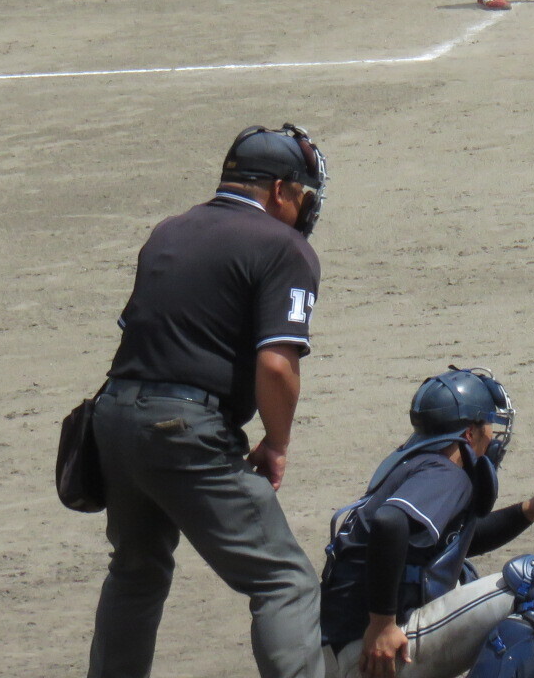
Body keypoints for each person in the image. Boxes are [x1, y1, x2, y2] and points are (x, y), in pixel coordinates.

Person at [88, 124, 331, 678]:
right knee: (283, 580)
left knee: (136, 569)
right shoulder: (283, 247)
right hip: (182, 430)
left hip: (115, 420)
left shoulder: (170, 231)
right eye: (303, 193)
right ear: (278, 190)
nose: (306, 206)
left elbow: (143, 328)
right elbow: (276, 364)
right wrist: (277, 441)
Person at [318, 368, 534, 678]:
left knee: (462, 575)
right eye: (488, 424)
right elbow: (389, 523)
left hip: (337, 652)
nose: (493, 434)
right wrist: (382, 625)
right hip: (372, 653)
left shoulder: (414, 465)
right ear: (468, 433)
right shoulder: (445, 472)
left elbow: (460, 542)